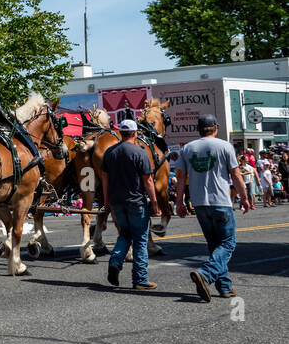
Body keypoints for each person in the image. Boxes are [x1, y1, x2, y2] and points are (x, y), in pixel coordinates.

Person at [175, 113, 251, 301]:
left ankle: (224, 287)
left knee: (215, 245)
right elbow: (235, 174)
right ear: (216, 128)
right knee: (227, 243)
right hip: (221, 201)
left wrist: (180, 202)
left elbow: (181, 178)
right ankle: (206, 273)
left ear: (199, 129)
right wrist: (244, 197)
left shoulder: (188, 148)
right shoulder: (225, 146)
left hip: (200, 203)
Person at [101, 118, 161, 290]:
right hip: (136, 201)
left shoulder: (110, 152)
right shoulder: (139, 152)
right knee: (140, 239)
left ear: (120, 132)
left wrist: (106, 201)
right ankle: (140, 279)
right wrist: (155, 202)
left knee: (124, 235)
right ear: (135, 133)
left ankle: (115, 261)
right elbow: (148, 180)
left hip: (116, 200)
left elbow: (104, 179)